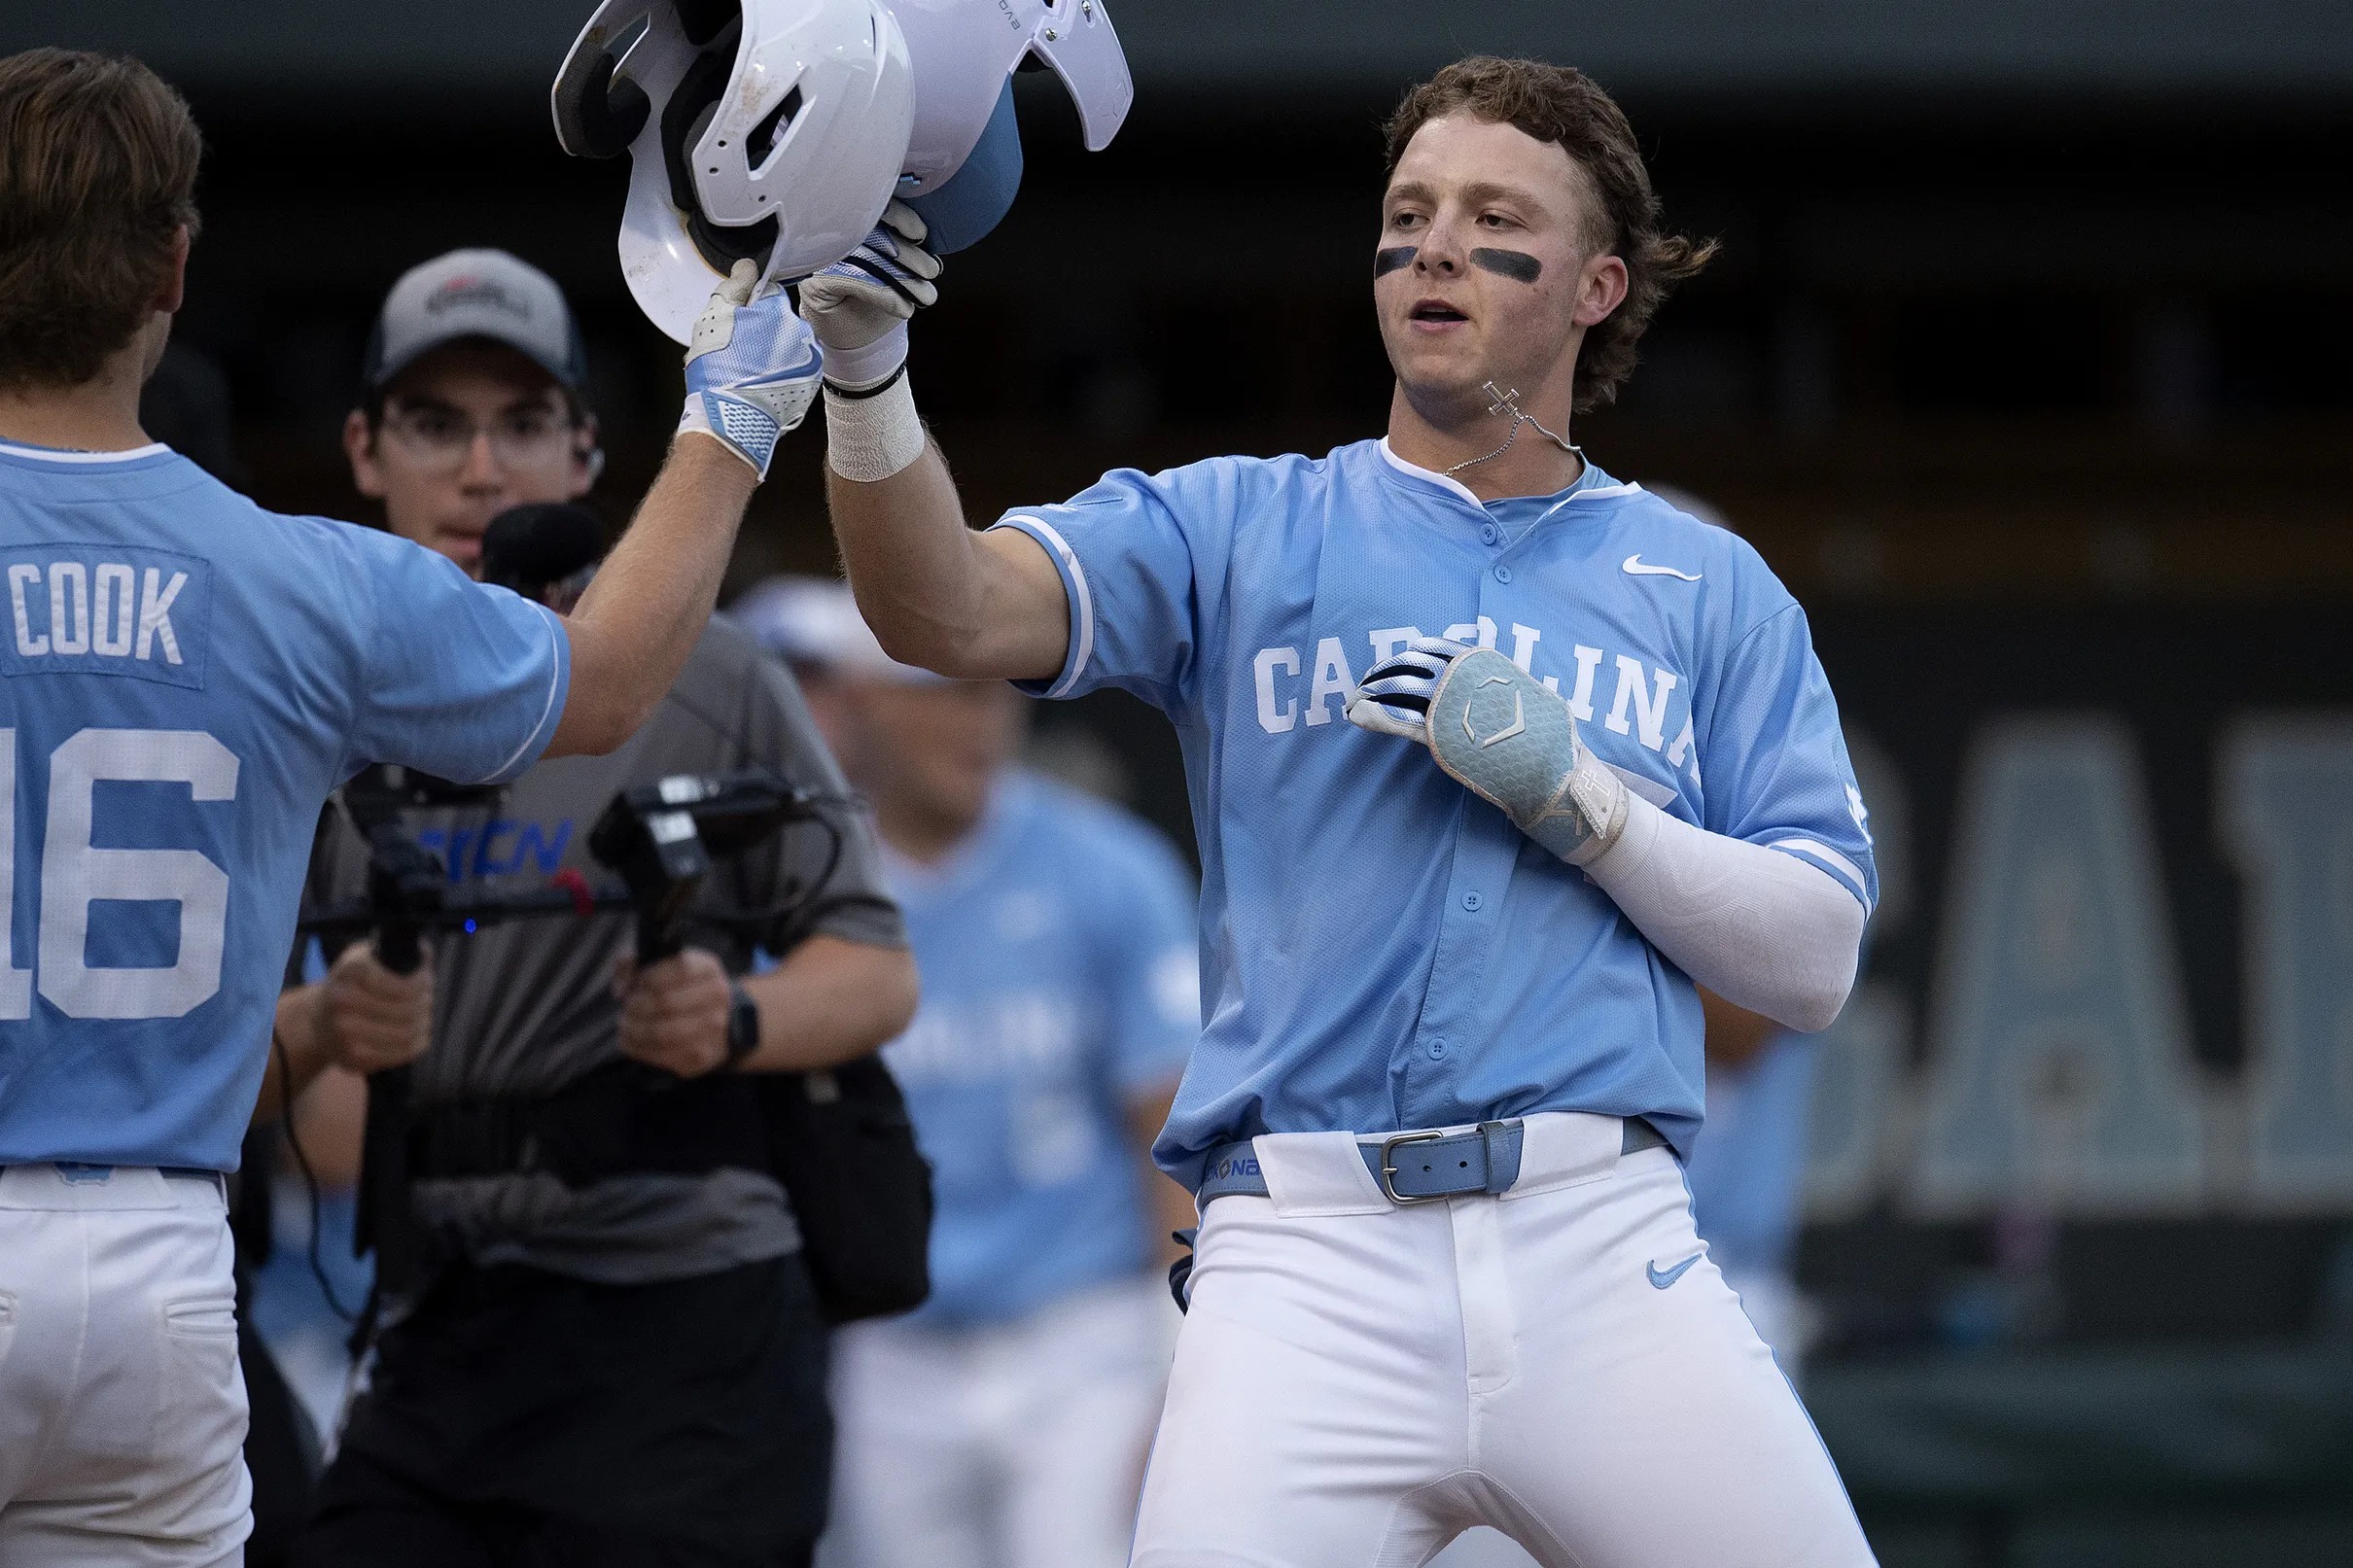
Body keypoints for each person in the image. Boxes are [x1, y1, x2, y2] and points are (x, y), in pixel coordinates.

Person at [802, 54, 1880, 1568]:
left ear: (1594, 286)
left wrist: (1586, 805)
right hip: (1301, 1260)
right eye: (1409, 211)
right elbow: (939, 611)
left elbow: (1815, 956)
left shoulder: (1706, 584)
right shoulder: (1241, 523)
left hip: (1598, 1241)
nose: (1434, 245)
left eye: (1495, 217)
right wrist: (864, 378)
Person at [0, 47, 826, 1566]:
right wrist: (732, 421)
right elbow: (601, 685)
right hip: (154, 1269)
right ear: (175, 269)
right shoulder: (292, 574)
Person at [266, 251, 916, 1568]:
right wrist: (334, 1024)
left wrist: (730, 1015)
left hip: (691, 1322)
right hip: (441, 1317)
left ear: (582, 453)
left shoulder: (711, 670)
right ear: (363, 450)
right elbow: (312, 1129)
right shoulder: (305, 697)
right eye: (436, 425)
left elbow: (877, 969)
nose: (481, 470)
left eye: (520, 425)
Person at [741, 577, 1197, 1568]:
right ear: (862, 702)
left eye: (993, 692)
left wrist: (1180, 1354)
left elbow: (1168, 1127)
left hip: (1079, 1334)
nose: (978, 721)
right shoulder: (798, 886)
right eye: (941, 691)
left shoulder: (1109, 866)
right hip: (887, 1345)